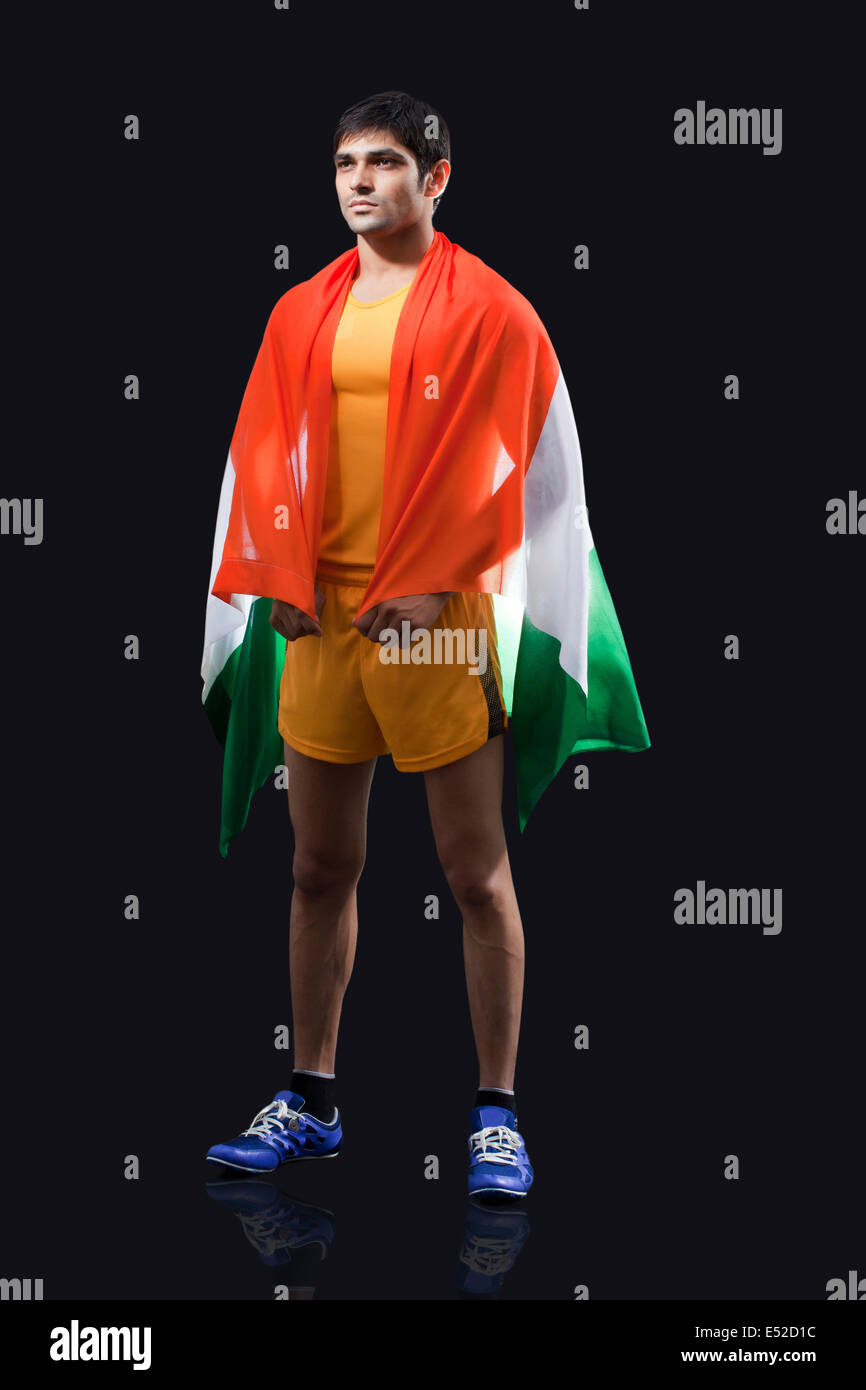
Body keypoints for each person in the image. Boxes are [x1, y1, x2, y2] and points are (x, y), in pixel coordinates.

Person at [203, 90, 648, 1200]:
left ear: (436, 178)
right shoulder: (299, 310)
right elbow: (257, 457)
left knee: (475, 871)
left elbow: (539, 473)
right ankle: (309, 1099)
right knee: (316, 867)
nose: (360, 182)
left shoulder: (494, 310)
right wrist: (275, 578)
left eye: (386, 163)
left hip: (432, 631)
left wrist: (444, 574)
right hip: (323, 622)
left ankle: (495, 1114)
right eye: (346, 163)